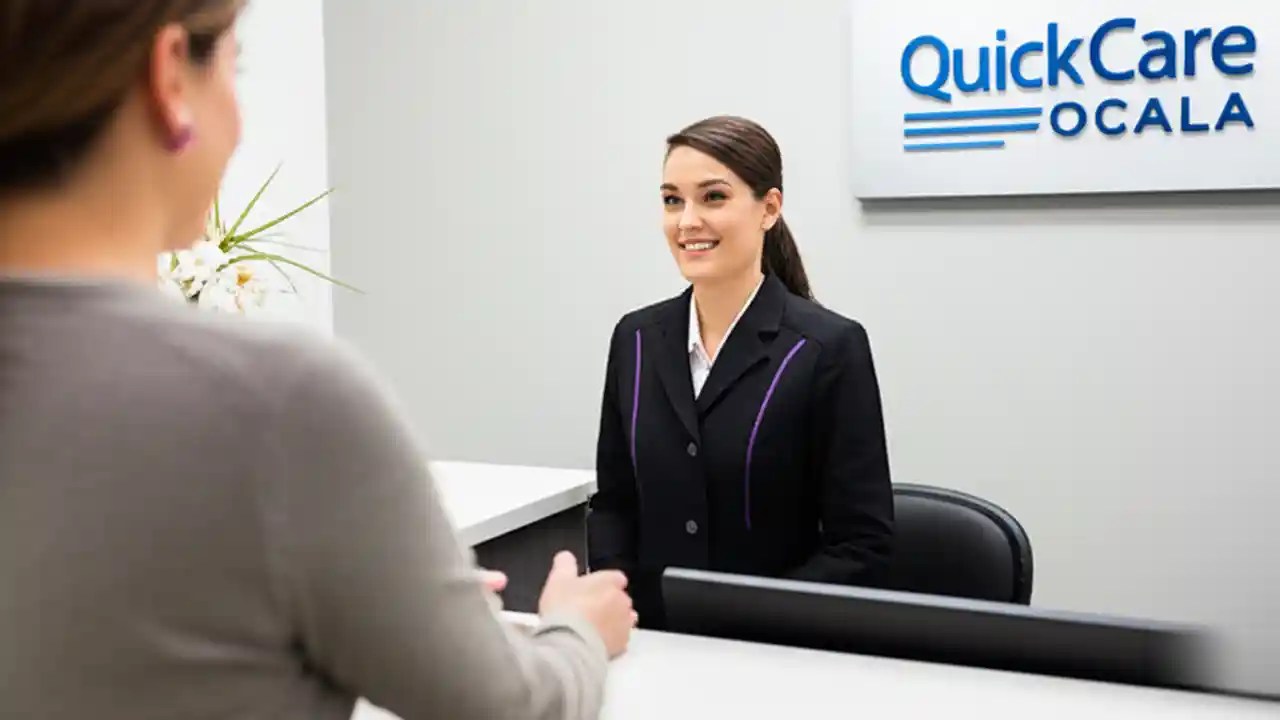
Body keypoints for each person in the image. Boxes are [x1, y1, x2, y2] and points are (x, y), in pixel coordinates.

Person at [0, 2, 633, 719]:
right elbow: (514, 707)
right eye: (233, 68)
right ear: (169, 74)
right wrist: (577, 625)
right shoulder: (277, 402)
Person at [587, 115, 894, 629]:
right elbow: (615, 504)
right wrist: (622, 608)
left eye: (712, 198)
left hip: (774, 652)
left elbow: (862, 546)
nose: (687, 221)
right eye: (671, 200)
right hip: (652, 645)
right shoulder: (635, 340)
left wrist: (754, 624)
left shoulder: (827, 349)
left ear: (768, 208)